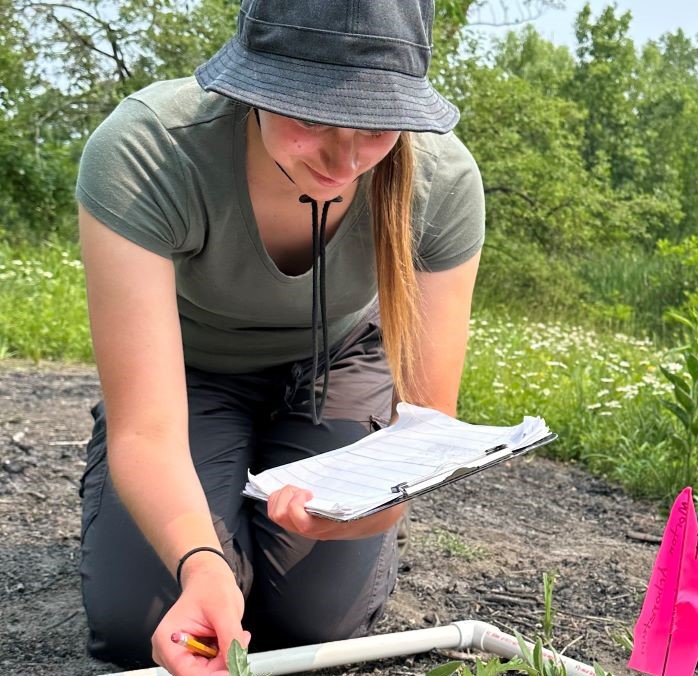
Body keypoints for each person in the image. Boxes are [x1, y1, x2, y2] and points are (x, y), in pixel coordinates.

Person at [74, 0, 484, 672]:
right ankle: (203, 494)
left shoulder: (442, 182)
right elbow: (146, 429)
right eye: (311, 116)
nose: (345, 159)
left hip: (342, 366)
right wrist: (202, 567)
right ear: (251, 85)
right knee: (140, 626)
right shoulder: (147, 150)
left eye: (378, 127)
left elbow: (425, 431)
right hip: (190, 371)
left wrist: (369, 514)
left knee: (313, 626)